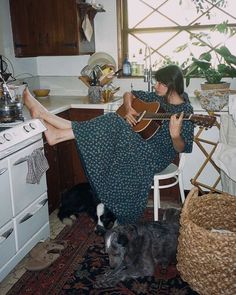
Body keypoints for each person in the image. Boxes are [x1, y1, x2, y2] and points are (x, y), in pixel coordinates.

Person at [24, 64, 194, 224]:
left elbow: (182, 148)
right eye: (157, 82)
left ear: (172, 86)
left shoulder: (186, 112)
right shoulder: (158, 98)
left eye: (161, 83)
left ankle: (52, 124)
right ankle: (55, 131)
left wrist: (175, 135)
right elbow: (129, 94)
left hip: (156, 158)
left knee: (114, 123)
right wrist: (128, 108)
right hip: (140, 145)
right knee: (113, 123)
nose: (156, 86)